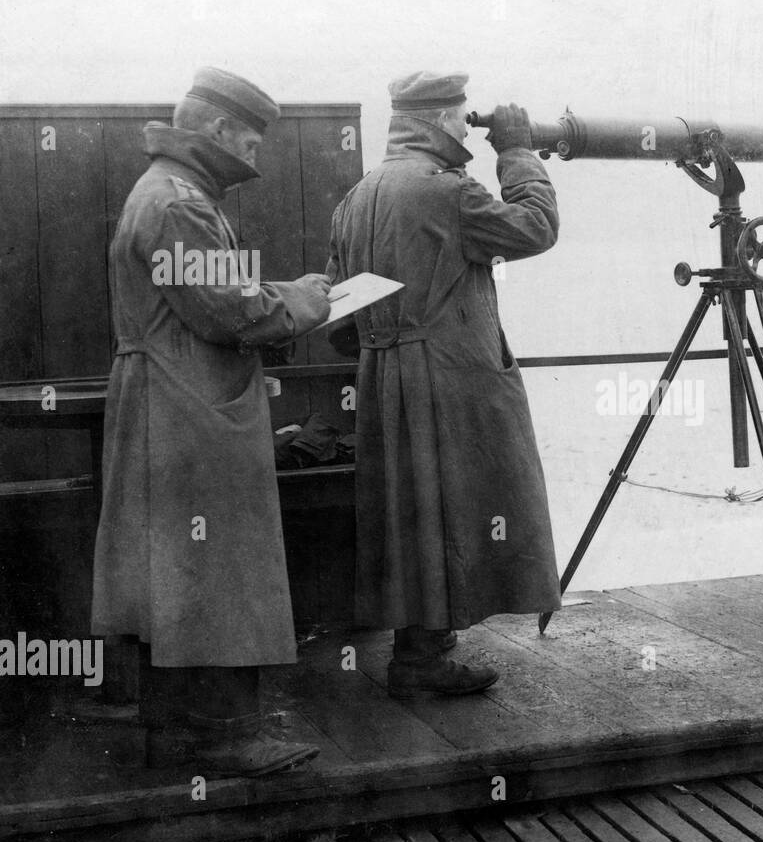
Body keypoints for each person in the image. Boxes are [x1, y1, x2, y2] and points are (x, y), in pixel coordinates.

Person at [92, 67, 332, 777]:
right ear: (222, 131)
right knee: (219, 564)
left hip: (170, 397)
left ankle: (174, 726)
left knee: (175, 568)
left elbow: (206, 304)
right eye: (251, 141)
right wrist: (309, 299)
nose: (255, 156)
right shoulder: (179, 203)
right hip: (188, 405)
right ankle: (226, 732)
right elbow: (231, 308)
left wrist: (269, 311)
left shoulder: (168, 193)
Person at [326, 70, 561, 697]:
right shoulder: (447, 192)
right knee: (458, 510)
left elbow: (338, 319)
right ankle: (423, 662)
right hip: (450, 381)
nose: (467, 128)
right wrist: (516, 149)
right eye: (461, 118)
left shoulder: (357, 197)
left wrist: (389, 343)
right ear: (435, 123)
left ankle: (420, 653)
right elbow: (535, 228)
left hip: (382, 380)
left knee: (411, 517)